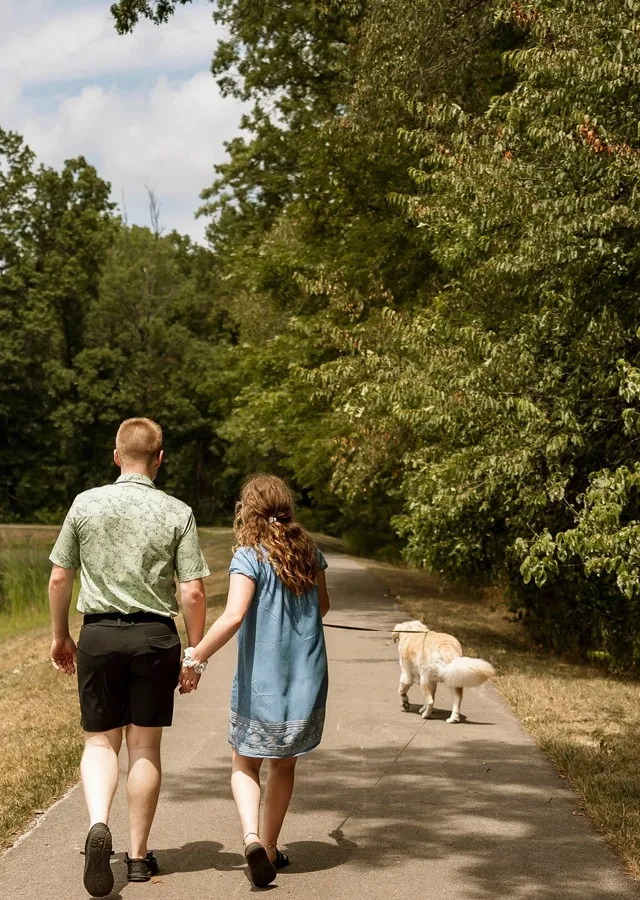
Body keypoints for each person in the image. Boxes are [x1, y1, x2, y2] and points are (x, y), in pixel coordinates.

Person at [48, 417, 209, 898]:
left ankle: (99, 824)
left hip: (97, 635)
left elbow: (60, 579)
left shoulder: (85, 504)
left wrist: (61, 637)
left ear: (116, 456)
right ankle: (138, 859)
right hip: (155, 638)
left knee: (100, 743)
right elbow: (193, 592)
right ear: (160, 459)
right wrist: (194, 652)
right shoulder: (178, 512)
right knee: (144, 748)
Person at [180, 473, 331, 888]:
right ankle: (268, 848)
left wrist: (194, 658)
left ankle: (250, 837)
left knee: (245, 760)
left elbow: (233, 615)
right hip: (306, 675)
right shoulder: (309, 551)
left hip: (263, 679)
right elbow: (322, 606)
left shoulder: (248, 555)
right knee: (284, 764)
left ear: (248, 510)